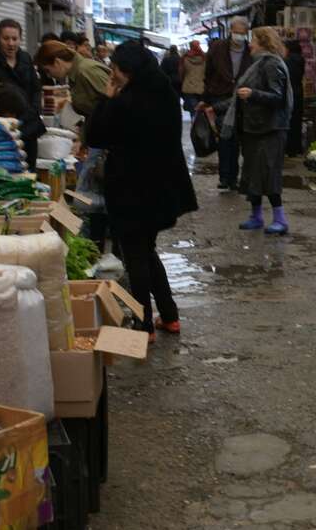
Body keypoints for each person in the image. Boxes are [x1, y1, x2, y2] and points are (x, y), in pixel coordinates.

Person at [84, 40, 198, 333]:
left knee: (135, 255)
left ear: (128, 70)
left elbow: (95, 136)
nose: (112, 73)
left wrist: (106, 98)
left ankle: (142, 323)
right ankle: (169, 316)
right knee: (146, 250)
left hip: (131, 190)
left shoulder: (126, 101)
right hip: (161, 189)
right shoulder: (166, 94)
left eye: (116, 68)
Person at [234, 26, 292, 236]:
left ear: (263, 42)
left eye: (253, 40)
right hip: (255, 128)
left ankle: (280, 219)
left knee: (269, 173)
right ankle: (256, 216)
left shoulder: (272, 64)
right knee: (252, 174)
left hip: (271, 128)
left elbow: (278, 98)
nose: (250, 44)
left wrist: (253, 94)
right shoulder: (258, 63)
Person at [204, 17, 252, 191]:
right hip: (220, 96)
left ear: (246, 33)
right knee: (225, 137)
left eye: (242, 33)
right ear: (230, 30)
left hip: (241, 97)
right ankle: (225, 177)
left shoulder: (250, 50)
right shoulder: (217, 48)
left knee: (237, 138)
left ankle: (235, 176)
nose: (239, 36)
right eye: (236, 32)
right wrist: (207, 96)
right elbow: (208, 72)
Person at [39, 37, 110, 121]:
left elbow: (115, 105)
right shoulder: (75, 74)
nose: (49, 75)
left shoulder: (86, 71)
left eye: (48, 70)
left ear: (57, 62)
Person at [0, 19, 39, 110]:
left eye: (14, 39)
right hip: (0, 120)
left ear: (20, 39)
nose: (10, 43)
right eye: (6, 39)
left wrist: (34, 111)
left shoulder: (26, 58)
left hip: (28, 115)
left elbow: (36, 89)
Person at [283, 35, 307, 164]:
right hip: (299, 92)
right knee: (297, 121)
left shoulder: (288, 61)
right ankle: (297, 148)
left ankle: (290, 149)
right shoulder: (301, 60)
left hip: (291, 93)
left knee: (290, 121)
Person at [180, 40, 208, 112]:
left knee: (193, 110)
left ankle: (194, 120)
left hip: (189, 87)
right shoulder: (204, 58)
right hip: (202, 87)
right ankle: (200, 122)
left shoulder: (185, 58)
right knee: (202, 109)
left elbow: (181, 72)